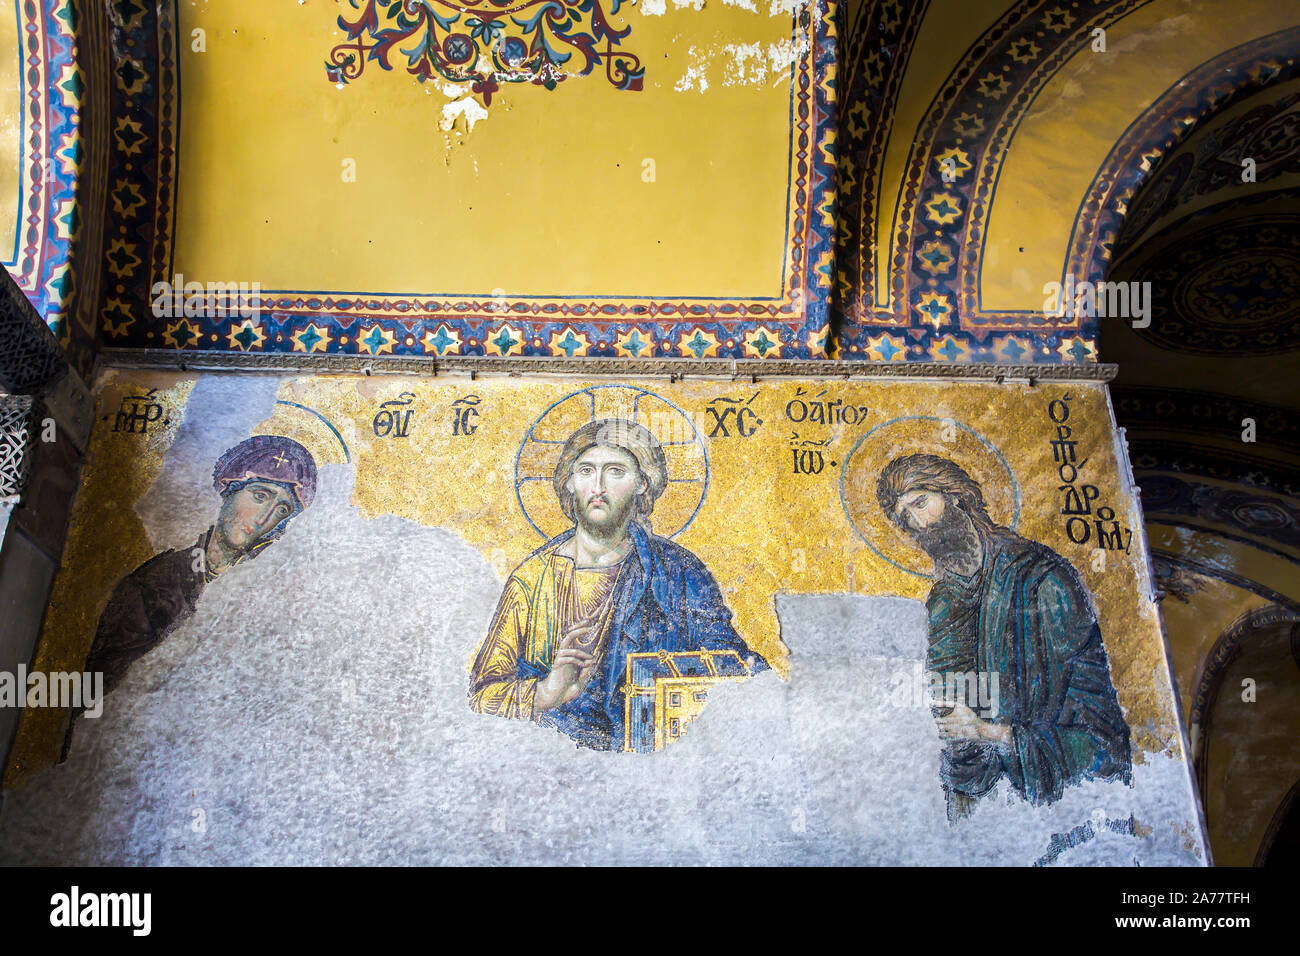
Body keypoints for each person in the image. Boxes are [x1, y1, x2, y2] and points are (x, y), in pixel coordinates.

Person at [469, 418, 765, 751]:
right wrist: (547, 693)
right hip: (550, 763)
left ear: (643, 483)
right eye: (585, 471)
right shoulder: (532, 581)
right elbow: (481, 696)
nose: (598, 486)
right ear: (568, 483)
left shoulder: (679, 573)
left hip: (655, 764)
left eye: (614, 471)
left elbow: (737, 669)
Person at [875, 453, 1132, 820]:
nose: (917, 523)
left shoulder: (1043, 582)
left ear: (958, 497)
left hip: (1059, 814)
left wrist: (991, 734)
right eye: (905, 518)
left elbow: (1105, 746)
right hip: (978, 807)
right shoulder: (942, 606)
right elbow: (947, 709)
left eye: (920, 503)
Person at [61, 435, 317, 758]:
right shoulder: (162, 580)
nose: (262, 519)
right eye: (259, 495)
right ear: (230, 492)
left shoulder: (249, 597)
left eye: (281, 509)